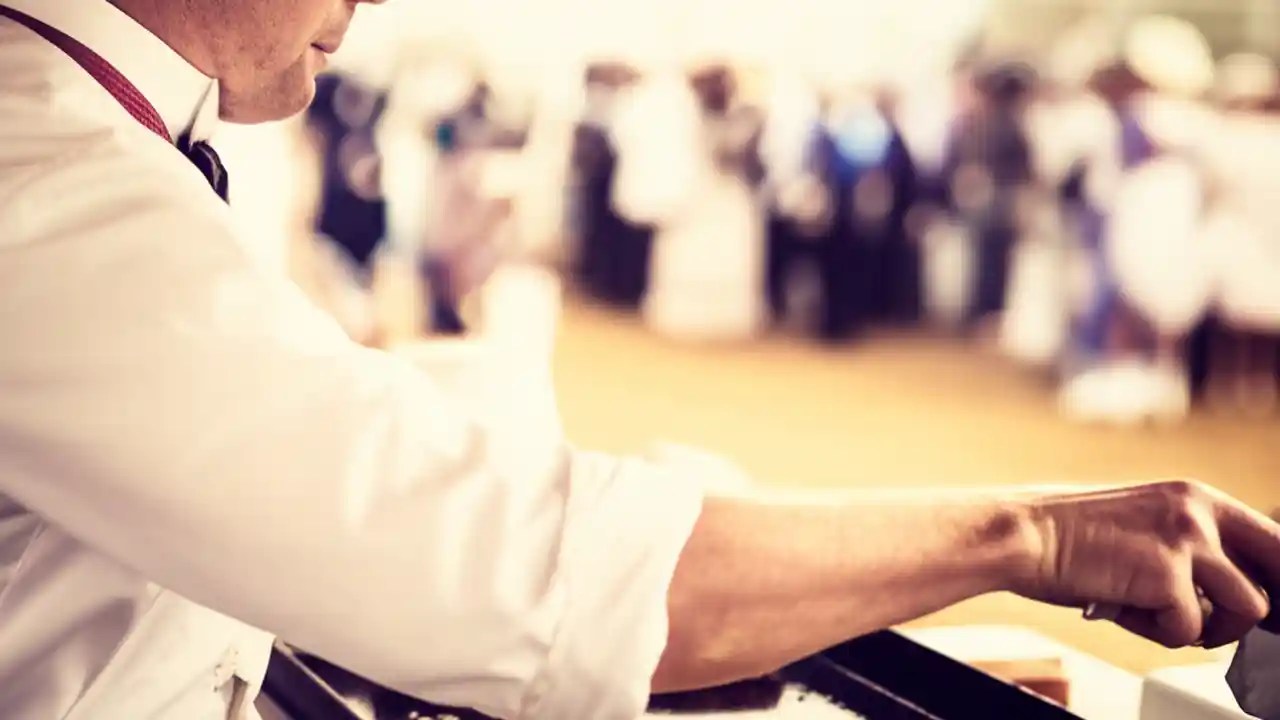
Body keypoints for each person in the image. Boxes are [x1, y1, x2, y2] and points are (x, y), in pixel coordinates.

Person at [1, 3, 1279, 720]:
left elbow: (278, 432)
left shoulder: (89, 134)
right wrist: (1032, 538)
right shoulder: (40, 170)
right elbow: (520, 580)